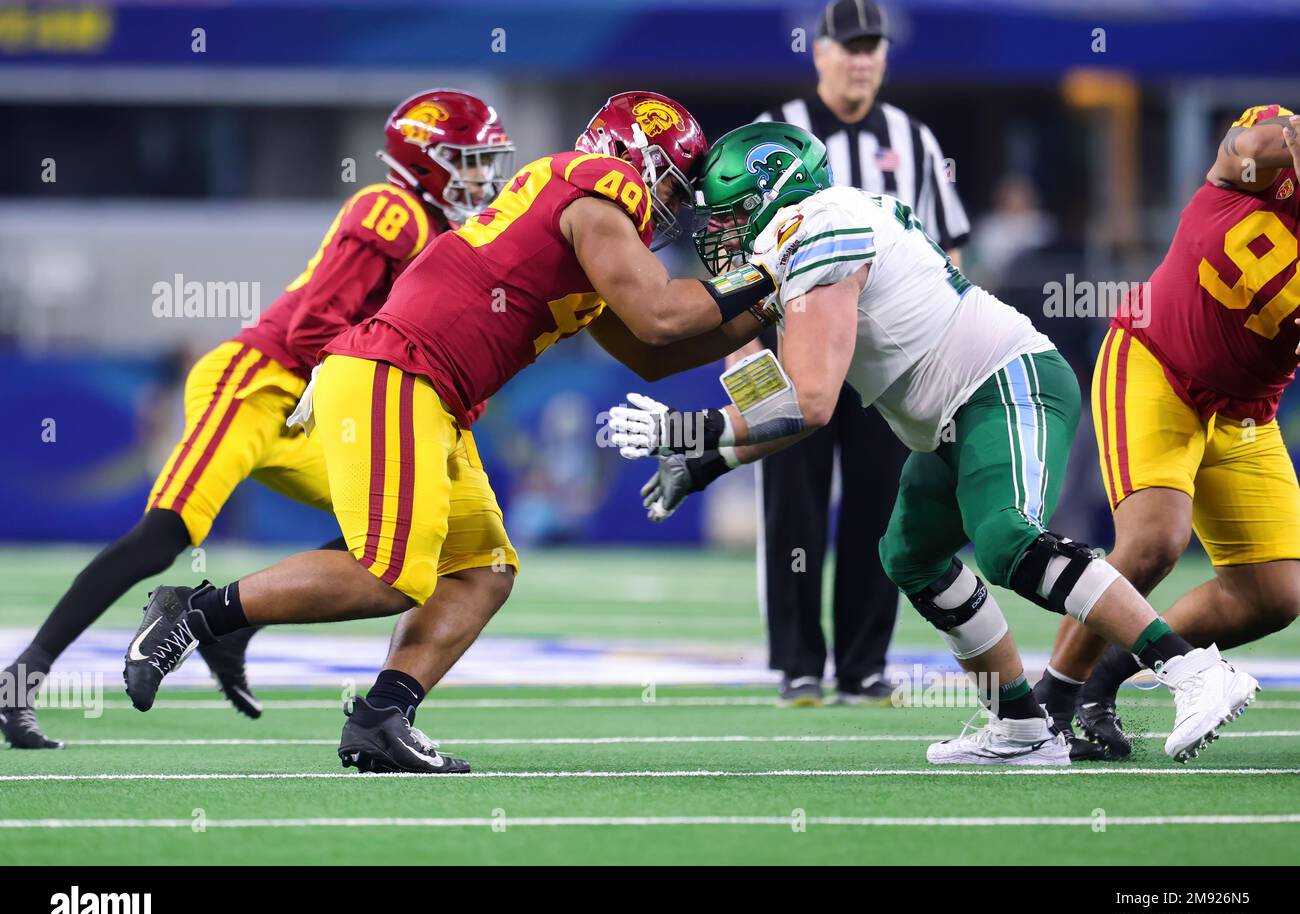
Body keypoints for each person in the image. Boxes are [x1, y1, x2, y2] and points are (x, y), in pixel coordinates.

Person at [121, 92, 776, 774]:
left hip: (429, 390)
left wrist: (764, 307)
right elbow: (664, 316)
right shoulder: (595, 186)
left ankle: (382, 718)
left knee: (480, 573)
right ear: (631, 158)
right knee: (391, 575)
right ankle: (195, 613)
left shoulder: (590, 221)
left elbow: (653, 351)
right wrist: (771, 270)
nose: (674, 197)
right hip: (398, 371)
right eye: (670, 176)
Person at [604, 122, 1259, 765]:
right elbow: (757, 380)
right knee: (912, 556)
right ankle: (1020, 727)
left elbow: (806, 403)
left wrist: (685, 429)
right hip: (951, 416)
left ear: (779, 195)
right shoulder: (807, 235)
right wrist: (705, 457)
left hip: (1003, 380)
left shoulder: (818, 227)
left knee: (1005, 541)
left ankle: (1193, 669)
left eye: (732, 213)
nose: (719, 233)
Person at [0, 89, 512, 750]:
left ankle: (234, 622)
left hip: (325, 401)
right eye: (469, 162)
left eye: (488, 161)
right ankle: (20, 681)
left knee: (409, 532)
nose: (484, 178)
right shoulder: (392, 210)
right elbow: (312, 324)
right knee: (164, 536)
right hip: (261, 382)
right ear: (426, 161)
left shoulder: (446, 235)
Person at [1034, 104, 1300, 758]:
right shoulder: (1273, 152)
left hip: (1243, 414)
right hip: (1157, 364)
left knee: (1273, 593)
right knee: (1154, 541)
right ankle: (1046, 708)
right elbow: (1237, 146)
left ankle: (1106, 674)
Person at [733, 0, 970, 706]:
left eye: (873, 47)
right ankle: (798, 663)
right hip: (793, 351)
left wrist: (948, 349)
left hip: (886, 360)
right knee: (792, 509)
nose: (862, 58)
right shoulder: (776, 135)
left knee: (883, 506)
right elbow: (737, 254)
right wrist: (743, 355)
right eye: (850, 45)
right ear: (820, 52)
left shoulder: (914, 140)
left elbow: (945, 249)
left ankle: (864, 663)